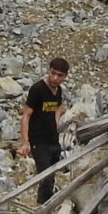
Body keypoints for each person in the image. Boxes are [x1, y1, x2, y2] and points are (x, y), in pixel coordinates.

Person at [17, 57, 70, 204]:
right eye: (53, 73)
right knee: (45, 177)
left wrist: (56, 119)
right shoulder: (38, 89)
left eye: (59, 75)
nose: (54, 78)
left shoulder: (58, 90)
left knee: (51, 175)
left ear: (65, 76)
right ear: (49, 70)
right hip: (38, 142)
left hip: (53, 140)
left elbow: (59, 105)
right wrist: (25, 142)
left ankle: (46, 203)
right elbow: (26, 115)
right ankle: (41, 207)